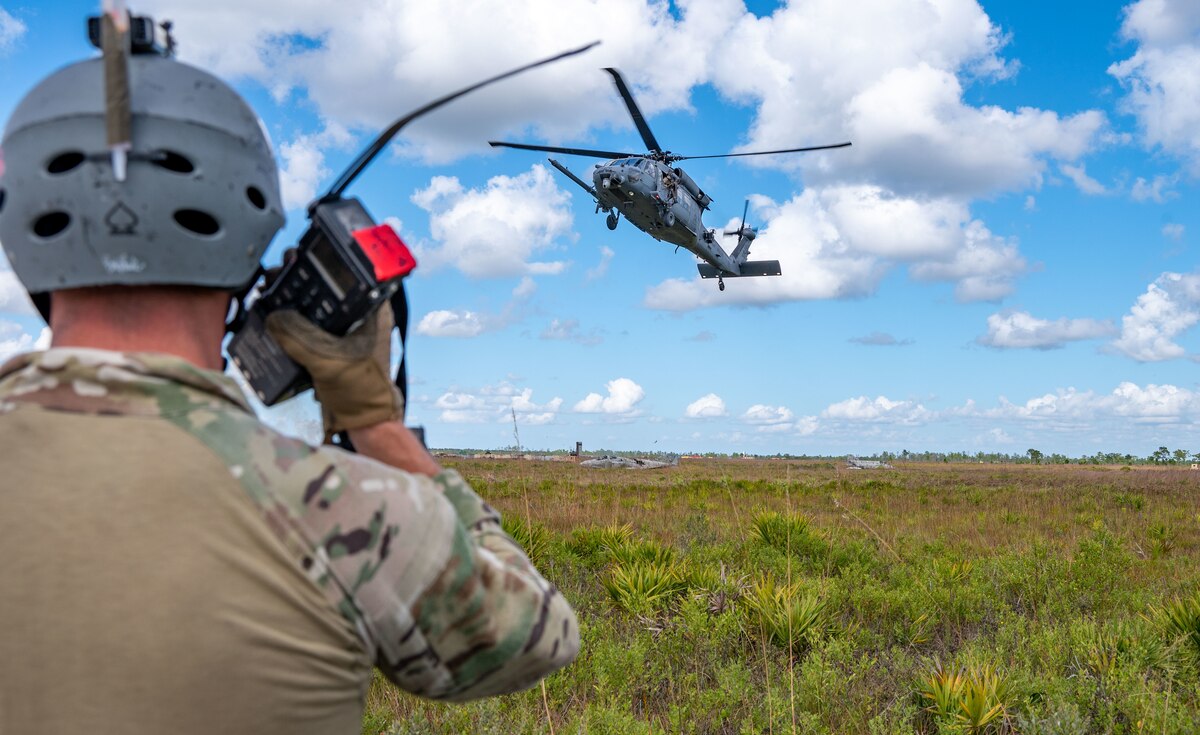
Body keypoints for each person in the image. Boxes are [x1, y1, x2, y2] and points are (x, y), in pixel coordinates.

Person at [0, 17, 578, 735]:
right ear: (249, 246)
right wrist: (375, 423)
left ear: (21, 236)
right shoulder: (354, 513)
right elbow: (540, 635)